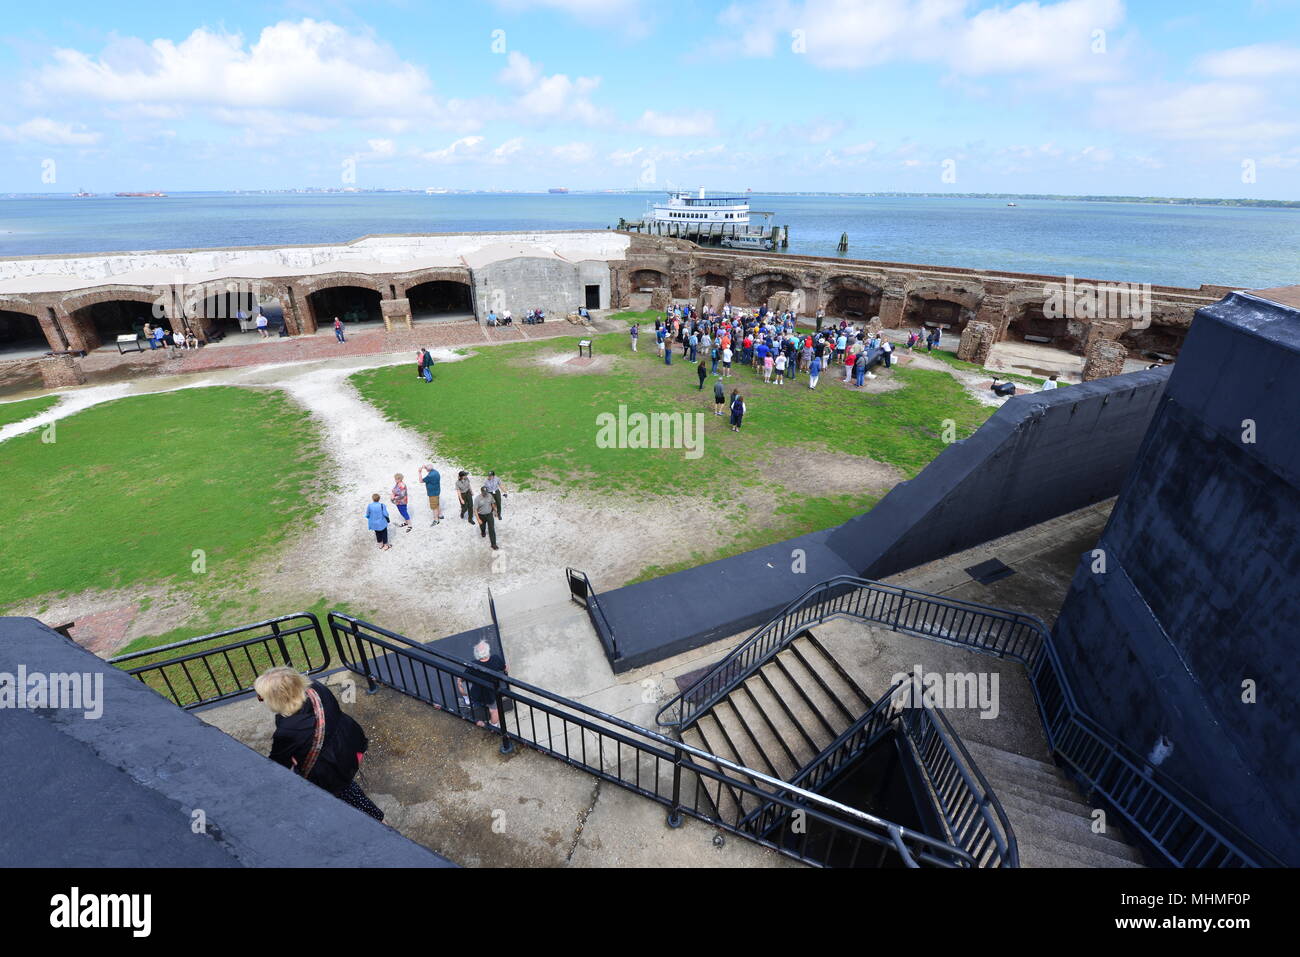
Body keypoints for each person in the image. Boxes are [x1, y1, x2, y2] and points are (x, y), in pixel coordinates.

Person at [255, 667, 384, 822]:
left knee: (345, 792)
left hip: (330, 768)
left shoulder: (288, 729)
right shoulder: (316, 688)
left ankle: (377, 821)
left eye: (262, 697)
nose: (260, 699)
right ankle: (379, 819)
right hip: (348, 744)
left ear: (278, 699)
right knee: (349, 789)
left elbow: (278, 763)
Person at [455, 640, 507, 728]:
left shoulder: (474, 665)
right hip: (492, 693)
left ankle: (467, 700)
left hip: (477, 692)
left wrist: (459, 680)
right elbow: (505, 668)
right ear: (488, 651)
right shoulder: (496, 659)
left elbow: (464, 677)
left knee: (460, 682)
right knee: (494, 710)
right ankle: (493, 726)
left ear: (477, 654)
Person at [474, 484, 499, 550]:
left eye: (486, 492)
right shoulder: (477, 499)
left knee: (492, 529)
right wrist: (478, 519)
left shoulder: (490, 496)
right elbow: (475, 510)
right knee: (482, 527)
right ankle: (483, 532)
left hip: (489, 515)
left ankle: (493, 544)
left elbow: (493, 504)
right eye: (484, 492)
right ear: (481, 492)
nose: (485, 494)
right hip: (481, 515)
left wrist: (495, 512)